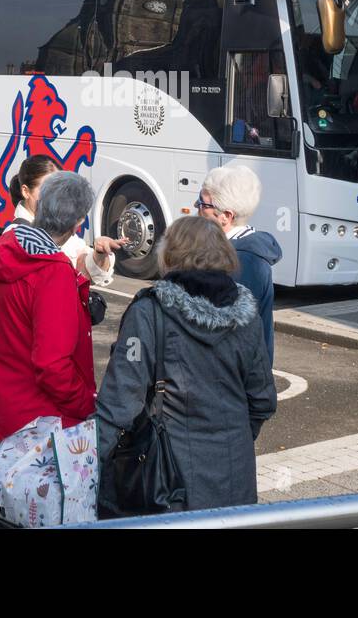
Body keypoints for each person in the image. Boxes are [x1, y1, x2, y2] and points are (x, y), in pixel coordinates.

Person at [95, 216, 277, 512]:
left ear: (169, 255)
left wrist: (89, 464)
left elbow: (119, 403)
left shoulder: (150, 312)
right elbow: (263, 400)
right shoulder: (248, 316)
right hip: (236, 476)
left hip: (168, 479)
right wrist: (236, 435)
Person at [0, 170, 98, 448]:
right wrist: (87, 404)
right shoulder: (54, 273)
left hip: (1, 411)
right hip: (42, 426)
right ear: (78, 222)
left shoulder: (0, 250)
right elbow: (53, 367)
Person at [197, 164, 281, 363]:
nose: (196, 206)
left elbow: (230, 330)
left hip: (234, 378)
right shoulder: (235, 251)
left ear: (226, 216)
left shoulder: (243, 260)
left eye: (203, 203)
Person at [4, 155, 123, 288]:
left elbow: (85, 269)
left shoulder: (55, 225)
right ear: (26, 191)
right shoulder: (16, 236)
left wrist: (99, 254)